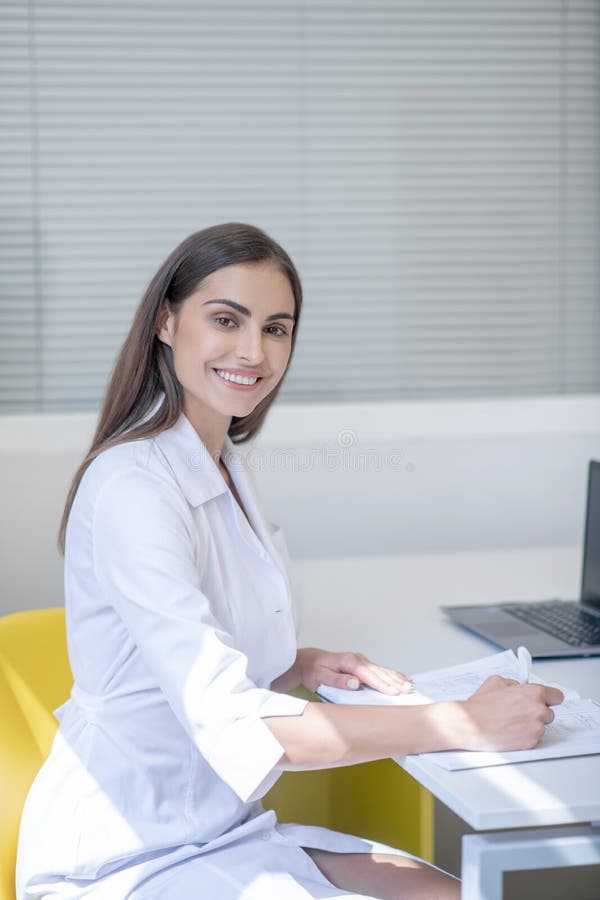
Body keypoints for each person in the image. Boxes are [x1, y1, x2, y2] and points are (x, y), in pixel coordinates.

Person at [16, 223, 563, 900]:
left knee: (456, 893)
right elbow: (235, 720)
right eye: (226, 319)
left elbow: (192, 648)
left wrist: (299, 663)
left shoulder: (221, 465)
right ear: (165, 322)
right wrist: (458, 724)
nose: (254, 351)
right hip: (122, 855)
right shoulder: (134, 486)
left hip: (221, 826)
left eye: (277, 328)